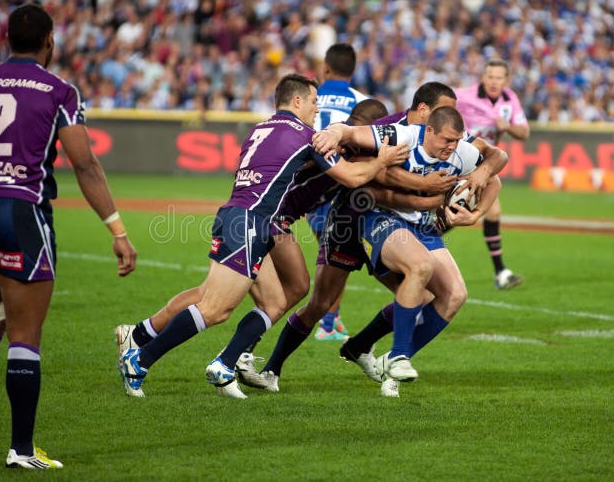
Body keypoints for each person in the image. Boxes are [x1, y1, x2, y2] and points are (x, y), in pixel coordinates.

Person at [0, 4, 137, 469]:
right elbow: (84, 162)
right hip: (22, 212)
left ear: (7, 40)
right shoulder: (59, 89)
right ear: (49, 42)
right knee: (25, 336)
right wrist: (117, 230)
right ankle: (21, 450)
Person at [117, 74, 409, 398]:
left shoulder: (260, 128)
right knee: (215, 308)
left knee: (275, 300)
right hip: (250, 222)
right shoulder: (305, 136)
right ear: (297, 101)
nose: (317, 109)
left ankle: (226, 363)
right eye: (314, 102)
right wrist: (382, 159)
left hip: (245, 218)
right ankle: (140, 359)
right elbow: (352, 177)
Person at [257, 84, 504, 392]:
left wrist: (479, 181)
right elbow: (371, 182)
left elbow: (494, 157)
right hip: (353, 221)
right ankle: (271, 368)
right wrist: (424, 194)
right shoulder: (391, 131)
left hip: (397, 226)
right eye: (444, 109)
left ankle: (364, 347)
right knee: (320, 303)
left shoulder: (448, 140)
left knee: (425, 293)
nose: (451, 117)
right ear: (426, 113)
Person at [308, 43, 369, 341]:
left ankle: (331, 319)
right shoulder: (363, 101)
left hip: (310, 182)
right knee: (338, 254)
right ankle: (327, 321)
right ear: (353, 70)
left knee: (331, 251)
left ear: (326, 68)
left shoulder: (308, 97)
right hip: (345, 182)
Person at [455, 58, 529, 289]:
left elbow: (524, 132)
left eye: (499, 77)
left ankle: (501, 272)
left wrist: (507, 126)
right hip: (460, 157)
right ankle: (501, 272)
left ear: (506, 80)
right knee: (488, 209)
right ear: (483, 77)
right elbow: (440, 103)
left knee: (473, 210)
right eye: (490, 77)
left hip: (486, 162)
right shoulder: (464, 95)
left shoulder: (510, 100)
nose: (494, 81)